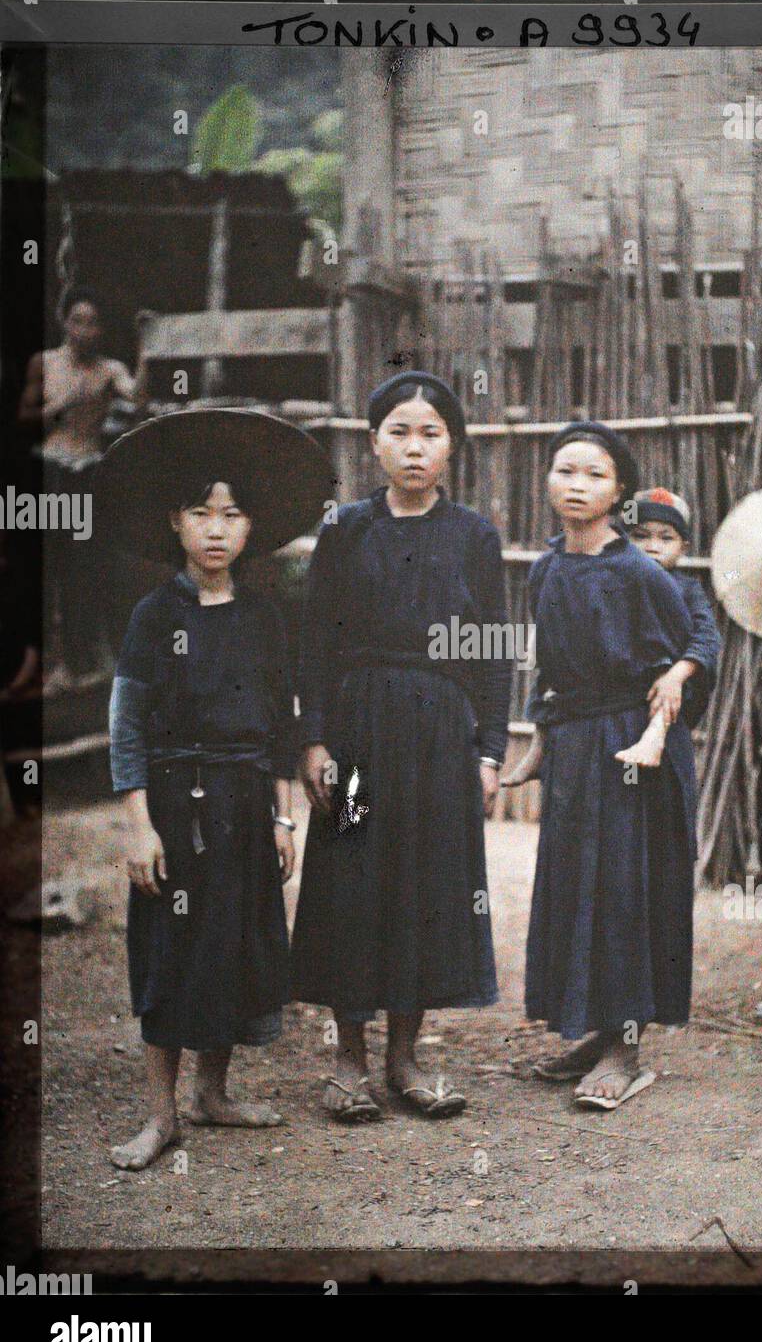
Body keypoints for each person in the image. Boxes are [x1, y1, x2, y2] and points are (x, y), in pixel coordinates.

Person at [100, 408, 332, 1169]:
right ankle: (161, 1115)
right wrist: (139, 824)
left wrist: (282, 818)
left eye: (231, 515)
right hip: (172, 802)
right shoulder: (151, 615)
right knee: (169, 952)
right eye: (200, 512)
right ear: (175, 521)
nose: (215, 530)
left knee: (232, 944)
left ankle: (213, 1093)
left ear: (250, 527)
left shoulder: (266, 617)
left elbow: (277, 728)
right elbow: (128, 724)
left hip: (241, 803)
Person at [291, 371, 511, 1122]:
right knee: (353, 875)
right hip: (356, 733)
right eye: (399, 431)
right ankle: (349, 1061)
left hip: (441, 738)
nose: (415, 448)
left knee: (425, 881)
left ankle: (406, 1058)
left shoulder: (475, 537)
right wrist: (314, 738)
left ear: (452, 446)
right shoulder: (344, 529)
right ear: (373, 441)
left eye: (431, 433)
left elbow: (491, 653)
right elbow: (315, 639)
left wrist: (487, 752)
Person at [514, 422, 715, 1110]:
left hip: (637, 746)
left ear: (618, 490)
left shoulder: (638, 571)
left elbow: (678, 668)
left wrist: (655, 733)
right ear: (547, 480)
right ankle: (596, 1030)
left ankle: (626, 1049)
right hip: (575, 748)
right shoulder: (546, 567)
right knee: (580, 886)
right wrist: (542, 743)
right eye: (565, 471)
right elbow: (550, 671)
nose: (577, 486)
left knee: (629, 889)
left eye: (595, 475)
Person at [503, 482, 720, 786]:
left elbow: (706, 638)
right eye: (641, 536)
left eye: (665, 538)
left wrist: (677, 675)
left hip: (662, 679)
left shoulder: (686, 589)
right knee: (547, 678)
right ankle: (538, 748)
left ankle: (655, 736)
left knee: (667, 684)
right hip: (605, 687)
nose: (653, 546)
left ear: (683, 548)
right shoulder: (616, 580)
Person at [17, 287, 149, 688]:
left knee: (84, 569)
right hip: (50, 470)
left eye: (93, 323)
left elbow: (139, 399)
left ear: (102, 330)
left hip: (87, 471)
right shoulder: (45, 363)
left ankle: (75, 663)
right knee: (47, 564)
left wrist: (146, 349)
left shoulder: (108, 369)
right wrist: (61, 406)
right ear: (64, 322)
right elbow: (24, 418)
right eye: (78, 321)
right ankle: (39, 662)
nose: (85, 330)